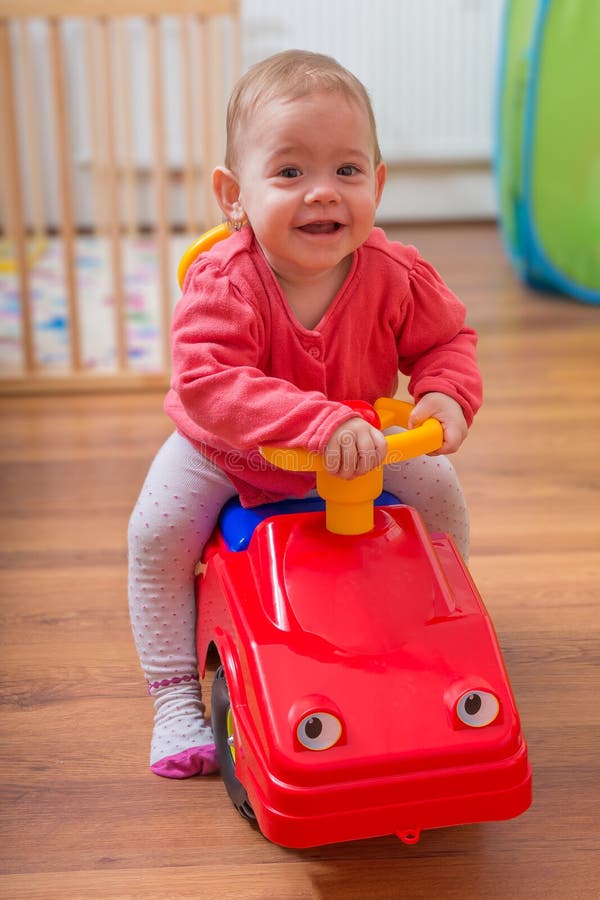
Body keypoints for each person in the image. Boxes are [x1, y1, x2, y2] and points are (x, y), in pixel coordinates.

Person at [128, 49, 483, 779]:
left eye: (346, 171)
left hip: (363, 446)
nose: (322, 192)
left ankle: (445, 629)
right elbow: (207, 380)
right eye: (290, 172)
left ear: (377, 185)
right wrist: (319, 424)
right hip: (225, 451)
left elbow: (448, 339)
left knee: (440, 492)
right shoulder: (226, 280)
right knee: (157, 532)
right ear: (234, 194)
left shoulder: (396, 274)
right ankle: (171, 696)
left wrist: (445, 392)